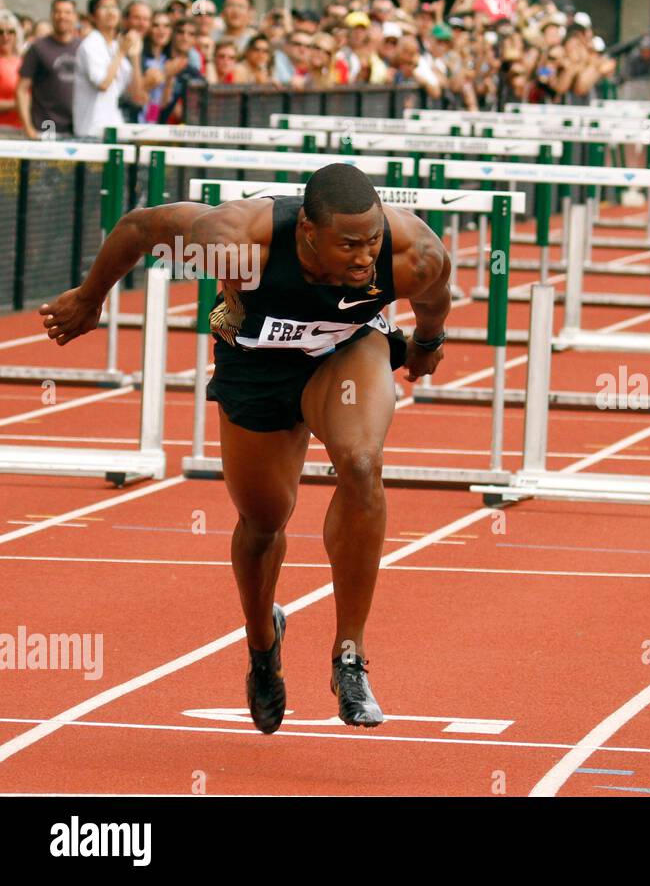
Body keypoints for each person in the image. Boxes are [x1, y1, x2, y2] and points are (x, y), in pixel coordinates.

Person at [39, 163, 454, 733]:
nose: (365, 257)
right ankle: (263, 643)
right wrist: (90, 298)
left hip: (346, 354)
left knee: (361, 463)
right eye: (349, 244)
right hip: (255, 365)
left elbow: (435, 297)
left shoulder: (412, 254)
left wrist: (428, 342)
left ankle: (349, 657)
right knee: (263, 520)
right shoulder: (236, 243)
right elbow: (140, 227)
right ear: (308, 231)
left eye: (374, 240)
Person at [72, 0, 145, 139]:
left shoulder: (115, 46)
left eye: (114, 7)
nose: (111, 12)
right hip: (91, 131)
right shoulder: (90, 45)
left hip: (115, 128)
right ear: (92, 16)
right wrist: (122, 52)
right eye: (104, 7)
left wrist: (135, 56)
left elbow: (136, 94)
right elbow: (103, 84)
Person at [0, 10, 22, 134]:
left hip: (24, 129)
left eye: (10, 32)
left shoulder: (25, 61)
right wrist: (18, 105)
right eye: (0, 32)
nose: (5, 36)